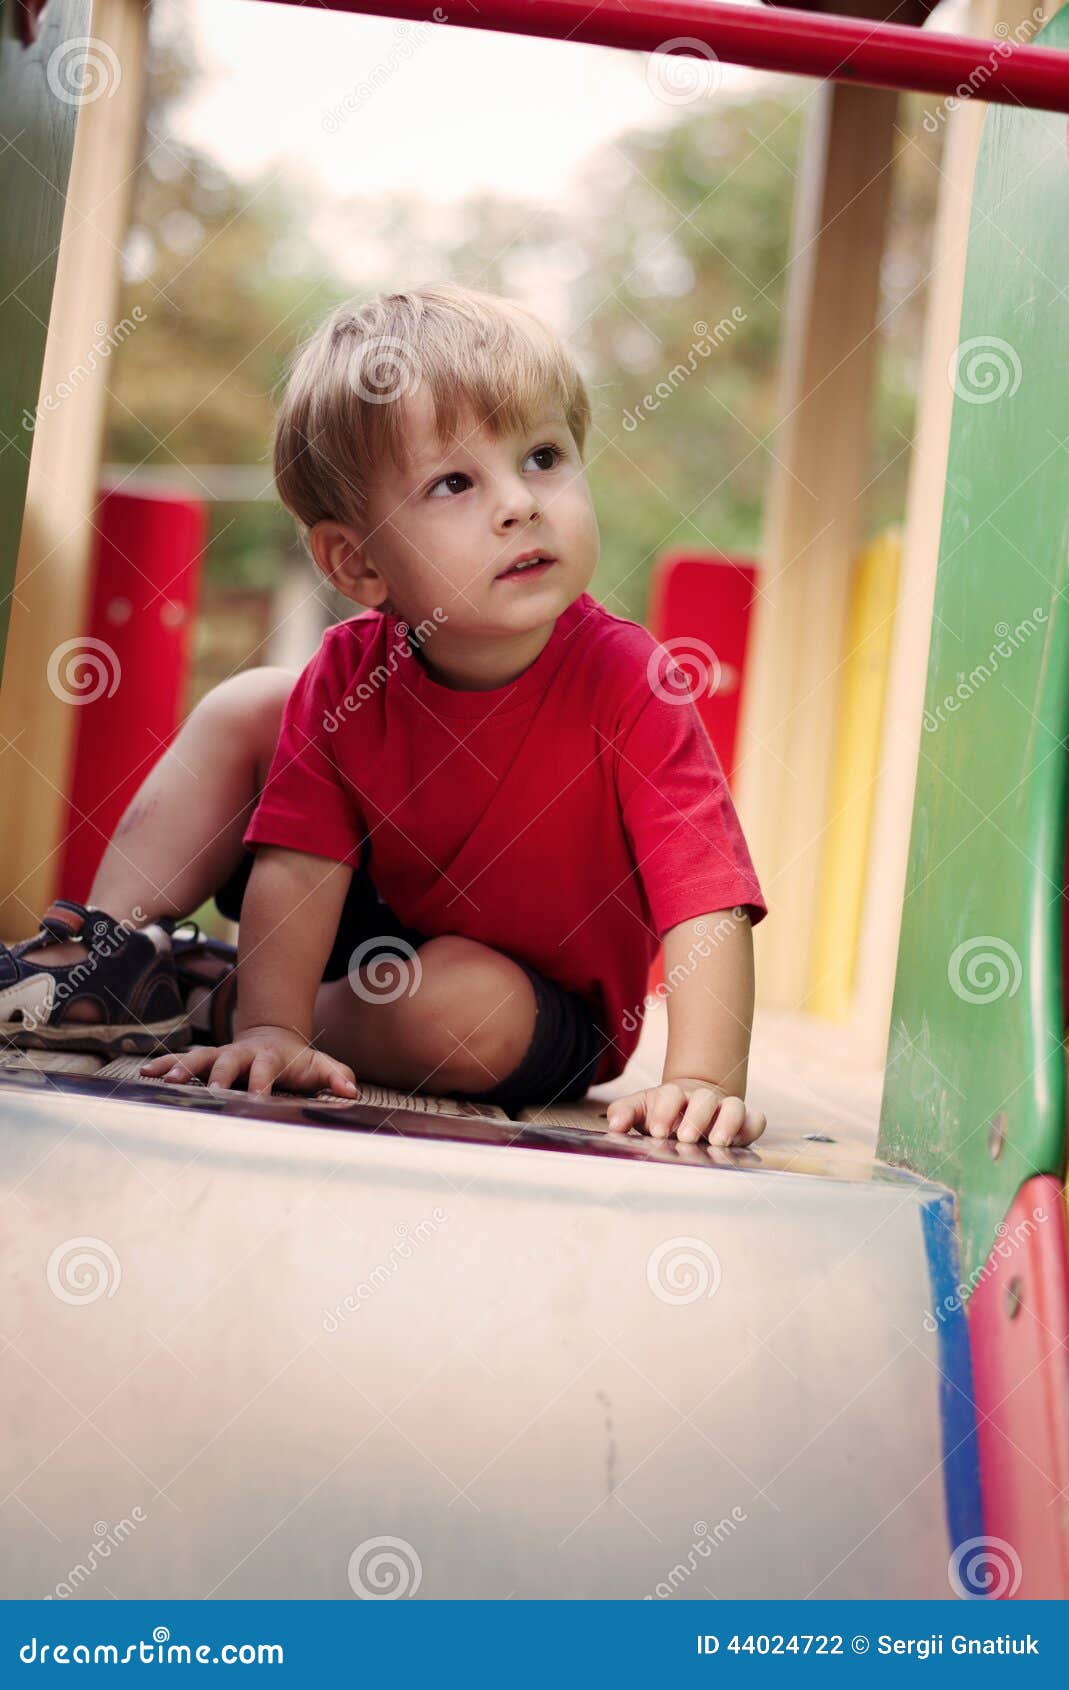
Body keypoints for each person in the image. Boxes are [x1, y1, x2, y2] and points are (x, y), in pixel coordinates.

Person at [8, 282, 768, 1144]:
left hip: (524, 1005)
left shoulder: (633, 681)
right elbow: (299, 869)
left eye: (544, 458)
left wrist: (704, 1077)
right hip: (358, 932)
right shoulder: (346, 675)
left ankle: (195, 1000)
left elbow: (705, 896)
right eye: (453, 482)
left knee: (460, 1004)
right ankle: (103, 963)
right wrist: (273, 1028)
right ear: (357, 562)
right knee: (252, 700)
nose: (519, 502)